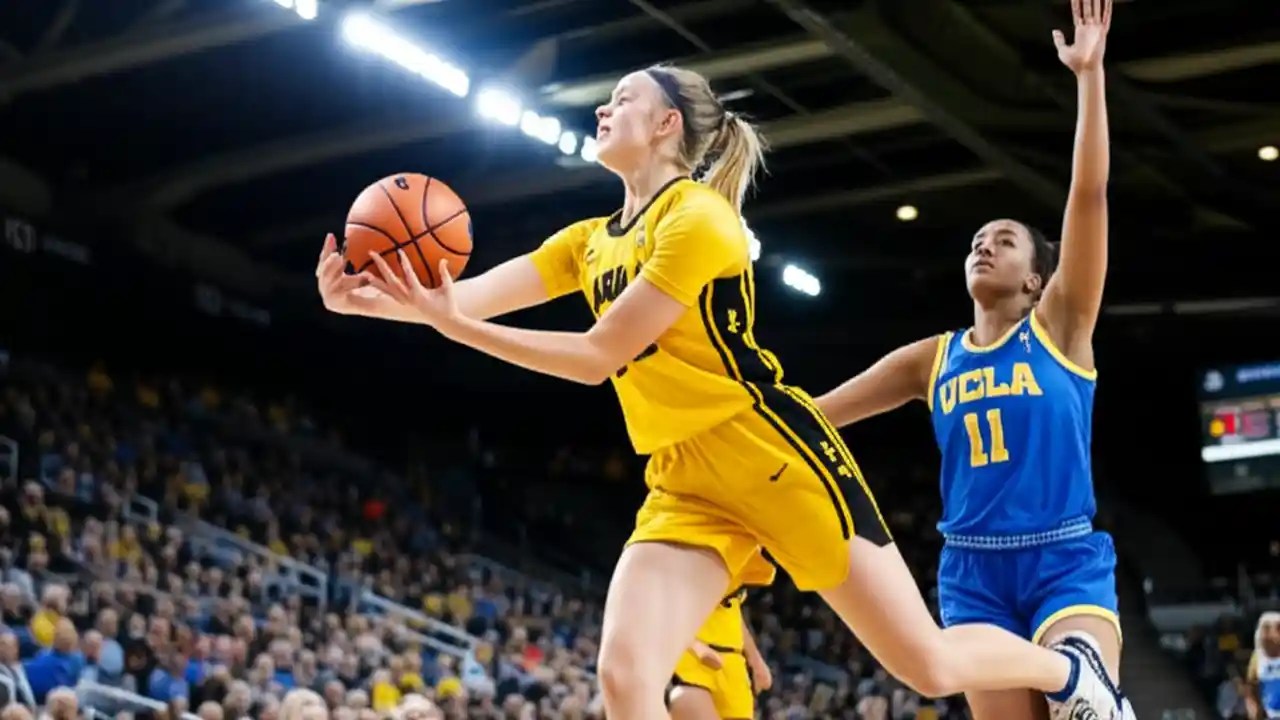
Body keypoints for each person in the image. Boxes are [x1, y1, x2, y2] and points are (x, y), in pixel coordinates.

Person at [315, 56, 1124, 720]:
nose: (603, 108)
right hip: (683, 477)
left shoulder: (700, 219)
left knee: (930, 665)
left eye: (621, 96)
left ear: (667, 125)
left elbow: (600, 353)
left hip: (770, 458)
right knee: (627, 681)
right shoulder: (586, 242)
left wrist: (449, 324)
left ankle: (1070, 677)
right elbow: (462, 302)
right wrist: (372, 300)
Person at [814, 1, 1125, 719]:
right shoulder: (933, 358)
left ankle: (1078, 675)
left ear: (1035, 279)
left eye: (1005, 239)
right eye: (976, 240)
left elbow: (1089, 195)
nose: (984, 244)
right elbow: (817, 415)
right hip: (973, 573)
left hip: (1063, 561)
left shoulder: (1062, 328)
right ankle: (1075, 678)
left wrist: (1089, 76)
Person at [667, 556, 774, 720]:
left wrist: (756, 660)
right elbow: (659, 609)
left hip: (733, 663)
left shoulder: (738, 561)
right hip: (691, 659)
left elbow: (733, 610)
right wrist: (695, 646)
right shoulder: (682, 555)